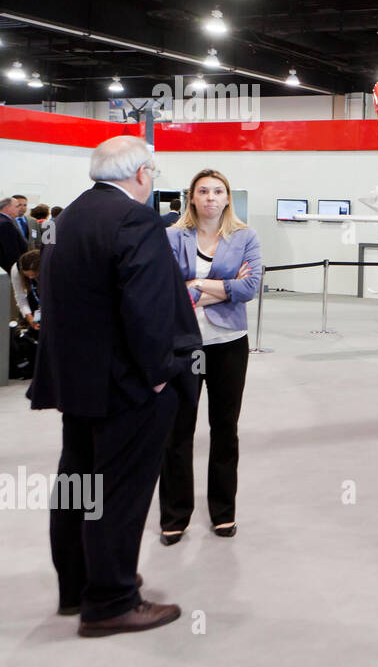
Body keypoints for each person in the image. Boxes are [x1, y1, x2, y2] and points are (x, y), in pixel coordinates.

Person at [28, 136, 201, 637]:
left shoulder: (70, 217)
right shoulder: (135, 219)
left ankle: (79, 586)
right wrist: (159, 374)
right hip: (126, 385)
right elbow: (146, 308)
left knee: (79, 484)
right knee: (119, 493)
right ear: (143, 173)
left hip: (78, 380)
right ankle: (111, 601)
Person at [160, 168, 261, 545]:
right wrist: (224, 287)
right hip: (183, 345)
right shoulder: (171, 236)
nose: (210, 198)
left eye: (218, 191)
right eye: (203, 191)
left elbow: (250, 287)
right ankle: (174, 516)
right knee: (176, 432)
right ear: (192, 197)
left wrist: (197, 284)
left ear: (228, 197)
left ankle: (223, 513)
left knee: (225, 430)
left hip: (229, 343)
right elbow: (169, 288)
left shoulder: (244, 236)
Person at [11, 248, 40, 330]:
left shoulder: (51, 269)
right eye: (27, 275)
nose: (30, 277)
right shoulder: (16, 270)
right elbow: (20, 296)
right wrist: (29, 317)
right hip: (33, 302)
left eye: (33, 274)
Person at [0, 196, 25, 272]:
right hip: (11, 268)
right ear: (7, 208)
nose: (20, 209)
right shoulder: (5, 223)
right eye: (17, 206)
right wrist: (18, 270)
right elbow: (11, 250)